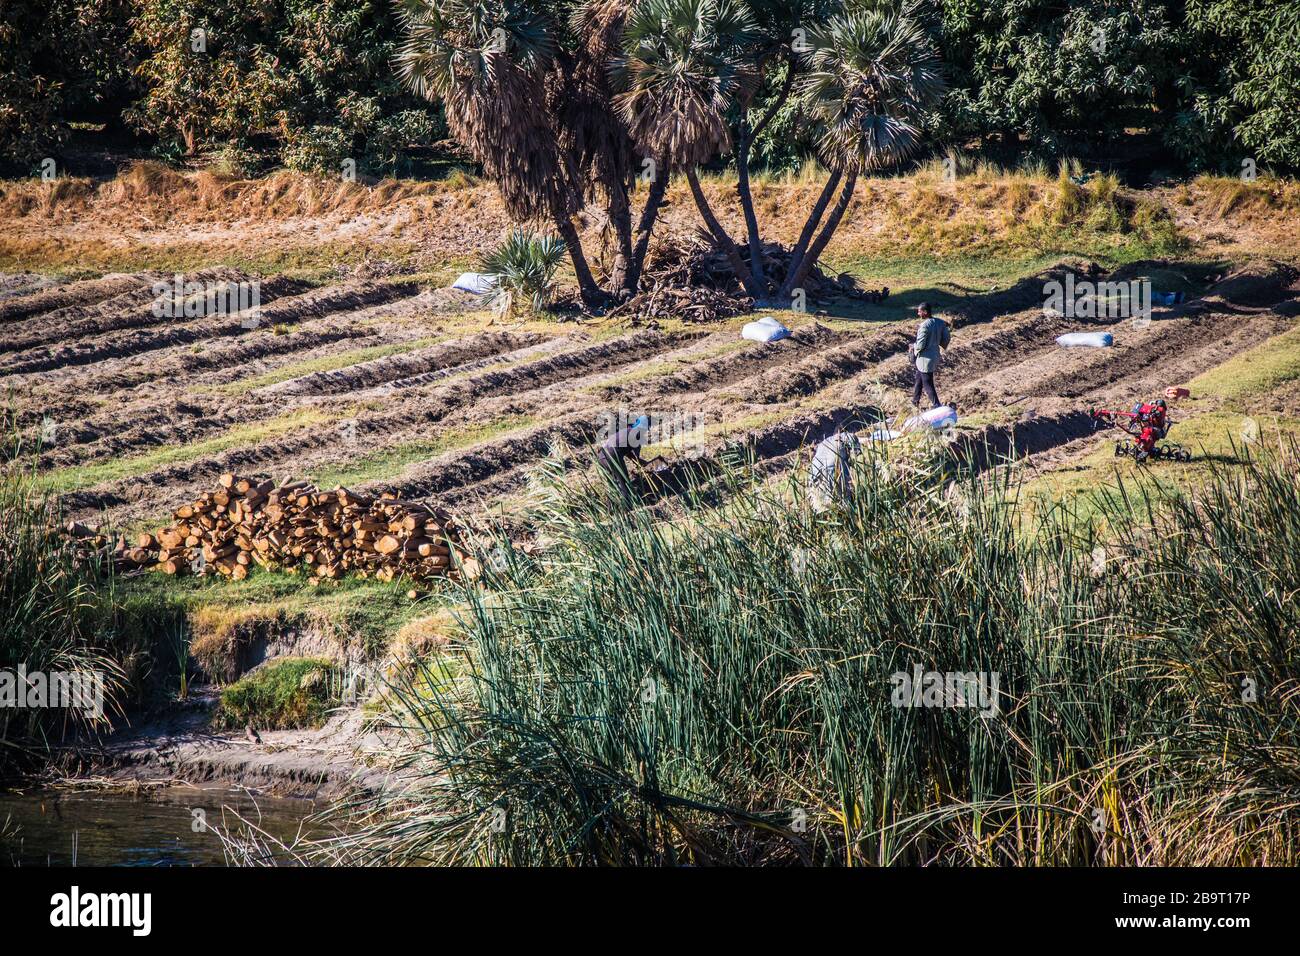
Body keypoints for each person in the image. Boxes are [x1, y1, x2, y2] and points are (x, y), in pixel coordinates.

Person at [596, 414, 660, 504]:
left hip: (601, 457)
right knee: (624, 484)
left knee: (614, 485)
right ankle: (627, 507)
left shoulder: (626, 431)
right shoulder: (637, 434)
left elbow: (629, 453)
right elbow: (636, 458)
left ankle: (612, 508)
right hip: (612, 456)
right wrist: (643, 464)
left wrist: (640, 462)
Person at [809, 427, 861, 512]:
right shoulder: (847, 436)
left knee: (822, 505)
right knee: (843, 503)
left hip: (814, 471)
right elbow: (856, 454)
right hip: (833, 468)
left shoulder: (823, 442)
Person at [910, 302, 951, 410]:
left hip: (925, 359)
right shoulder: (939, 322)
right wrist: (939, 344)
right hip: (935, 355)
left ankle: (937, 405)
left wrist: (913, 347)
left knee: (927, 383)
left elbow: (920, 345)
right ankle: (915, 401)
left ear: (925, 312)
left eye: (919, 311)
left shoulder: (924, 326)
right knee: (919, 377)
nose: (918, 314)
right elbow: (946, 338)